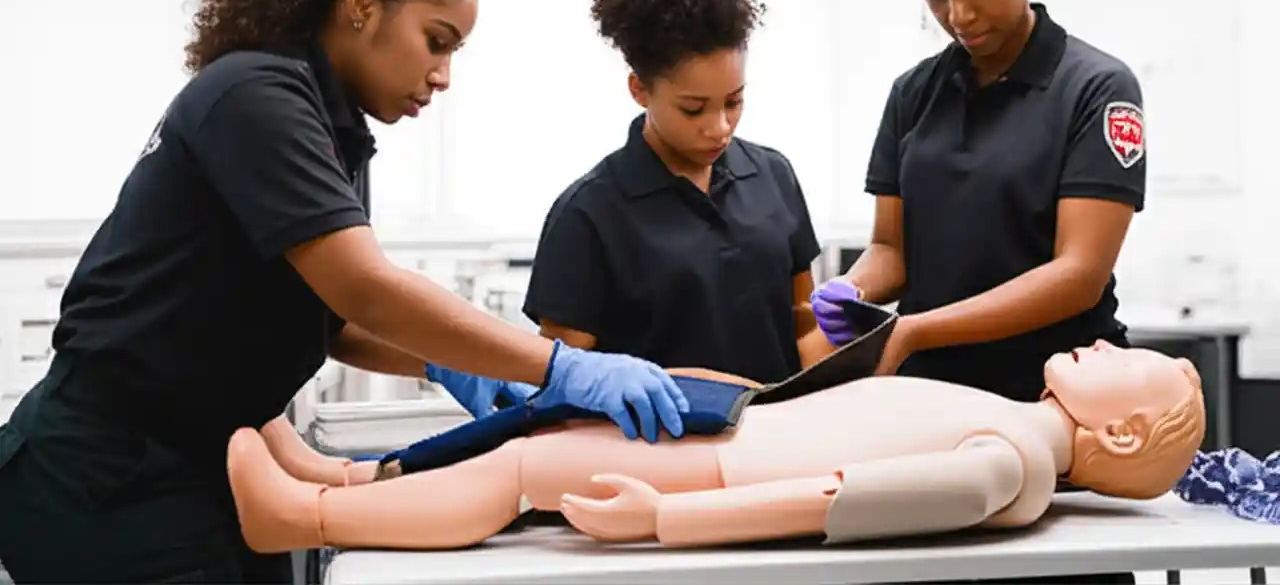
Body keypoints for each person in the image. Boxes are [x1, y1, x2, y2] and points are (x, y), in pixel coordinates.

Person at [0, 0, 690, 584]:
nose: (444, 75)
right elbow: (363, 287)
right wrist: (558, 367)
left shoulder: (334, 127)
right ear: (362, 3)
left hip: (196, 463)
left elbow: (336, 319)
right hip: (103, 473)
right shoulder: (255, 96)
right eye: (437, 40)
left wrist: (455, 366)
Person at [223, 341, 1205, 553]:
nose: (1107, 341)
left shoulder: (1011, 466)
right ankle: (338, 475)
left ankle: (301, 517)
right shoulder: (1018, 425)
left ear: (1116, 429)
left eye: (1128, 360)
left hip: (722, 465)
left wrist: (669, 518)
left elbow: (834, 497)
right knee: (546, 419)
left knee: (526, 468)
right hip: (738, 421)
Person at [430, 0, 828, 408]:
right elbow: (555, 383)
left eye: (735, 101)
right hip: (652, 463)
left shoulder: (775, 176)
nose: (720, 127)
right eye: (693, 108)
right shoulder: (589, 214)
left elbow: (804, 324)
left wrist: (833, 405)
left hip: (778, 447)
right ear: (639, 90)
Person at [813, 0, 1147, 403]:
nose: (960, 15)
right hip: (929, 395)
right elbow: (891, 249)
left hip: (1056, 398)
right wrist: (852, 290)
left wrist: (916, 328)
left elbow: (1079, 274)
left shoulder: (1096, 88)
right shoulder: (913, 94)